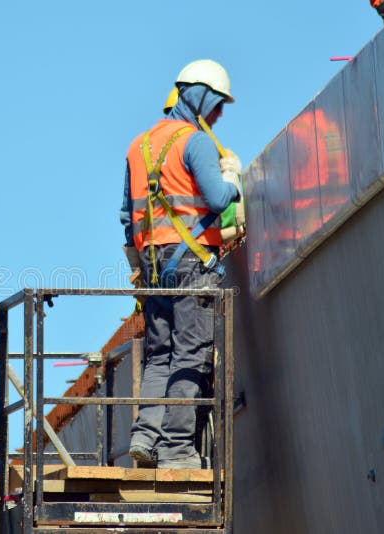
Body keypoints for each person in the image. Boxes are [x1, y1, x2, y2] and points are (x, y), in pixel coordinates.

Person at [120, 59, 242, 469]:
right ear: (200, 96)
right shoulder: (196, 142)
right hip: (191, 260)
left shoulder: (138, 146)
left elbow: (127, 217)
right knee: (191, 354)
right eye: (218, 104)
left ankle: (144, 437)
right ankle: (175, 450)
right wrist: (234, 180)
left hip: (153, 265)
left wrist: (138, 268)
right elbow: (218, 199)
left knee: (159, 355)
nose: (219, 114)